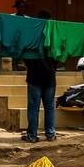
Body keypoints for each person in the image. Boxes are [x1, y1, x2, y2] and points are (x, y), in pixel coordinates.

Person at [25, 10, 58, 143]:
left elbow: (25, 56)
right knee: (49, 107)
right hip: (49, 77)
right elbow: (59, 56)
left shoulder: (31, 38)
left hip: (34, 77)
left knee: (33, 108)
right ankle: (50, 134)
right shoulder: (54, 38)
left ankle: (32, 136)